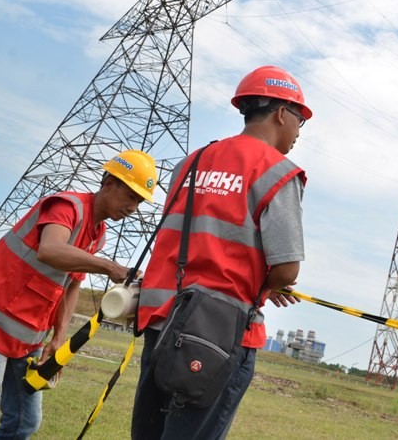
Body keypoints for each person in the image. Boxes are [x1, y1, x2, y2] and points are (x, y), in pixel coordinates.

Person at [132, 65, 311, 440]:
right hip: (220, 333)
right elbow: (286, 271)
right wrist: (266, 285)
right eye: (301, 119)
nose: (299, 130)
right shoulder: (277, 172)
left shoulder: (192, 162)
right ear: (282, 113)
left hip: (163, 322)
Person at [0, 149, 158, 440]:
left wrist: (58, 339)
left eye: (140, 202)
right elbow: (50, 250)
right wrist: (109, 267)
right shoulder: (67, 206)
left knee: (23, 423)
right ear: (109, 183)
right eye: (131, 196)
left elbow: (71, 286)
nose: (133, 207)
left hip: (27, 337)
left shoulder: (98, 234)